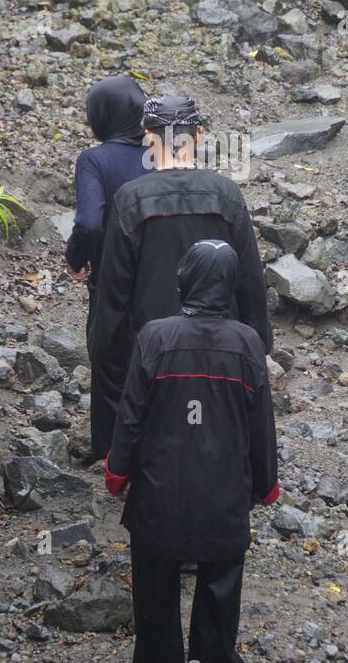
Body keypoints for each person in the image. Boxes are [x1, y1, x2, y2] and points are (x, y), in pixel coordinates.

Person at [105, 239, 278, 663]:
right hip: (223, 496)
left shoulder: (154, 338)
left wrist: (117, 471)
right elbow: (261, 427)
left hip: (160, 496)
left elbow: (131, 415)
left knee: (156, 589)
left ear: (184, 279)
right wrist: (266, 484)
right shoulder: (247, 344)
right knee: (220, 581)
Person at [89, 95, 271, 451]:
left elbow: (114, 290)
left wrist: (103, 349)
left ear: (148, 137)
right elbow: (250, 280)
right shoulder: (227, 195)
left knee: (156, 439)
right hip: (220, 345)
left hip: (151, 349)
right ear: (199, 136)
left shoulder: (131, 199)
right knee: (211, 431)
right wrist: (258, 342)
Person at [64, 76, 147, 460]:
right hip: (164, 274)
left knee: (109, 361)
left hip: (113, 277)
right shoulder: (159, 156)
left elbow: (89, 223)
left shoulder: (94, 160)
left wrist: (77, 258)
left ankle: (112, 454)